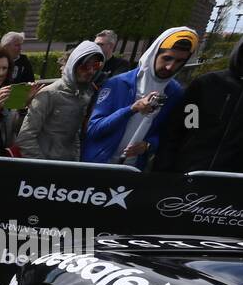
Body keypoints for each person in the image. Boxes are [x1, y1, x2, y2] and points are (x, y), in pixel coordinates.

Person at [83, 26, 197, 167]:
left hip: (132, 172)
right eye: (167, 58)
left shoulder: (176, 92)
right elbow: (94, 130)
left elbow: (172, 134)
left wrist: (149, 145)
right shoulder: (117, 83)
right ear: (154, 54)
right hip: (96, 166)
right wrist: (131, 109)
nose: (170, 67)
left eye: (180, 62)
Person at [153, 35, 243, 174]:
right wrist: (164, 169)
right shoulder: (208, 84)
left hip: (230, 182)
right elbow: (179, 129)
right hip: (186, 173)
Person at [17, 41, 104, 162]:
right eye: (85, 66)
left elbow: (75, 136)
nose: (90, 71)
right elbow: (25, 137)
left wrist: (76, 163)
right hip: (43, 169)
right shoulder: (48, 94)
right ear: (73, 65)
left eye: (95, 66)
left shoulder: (84, 96)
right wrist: (44, 167)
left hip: (67, 167)